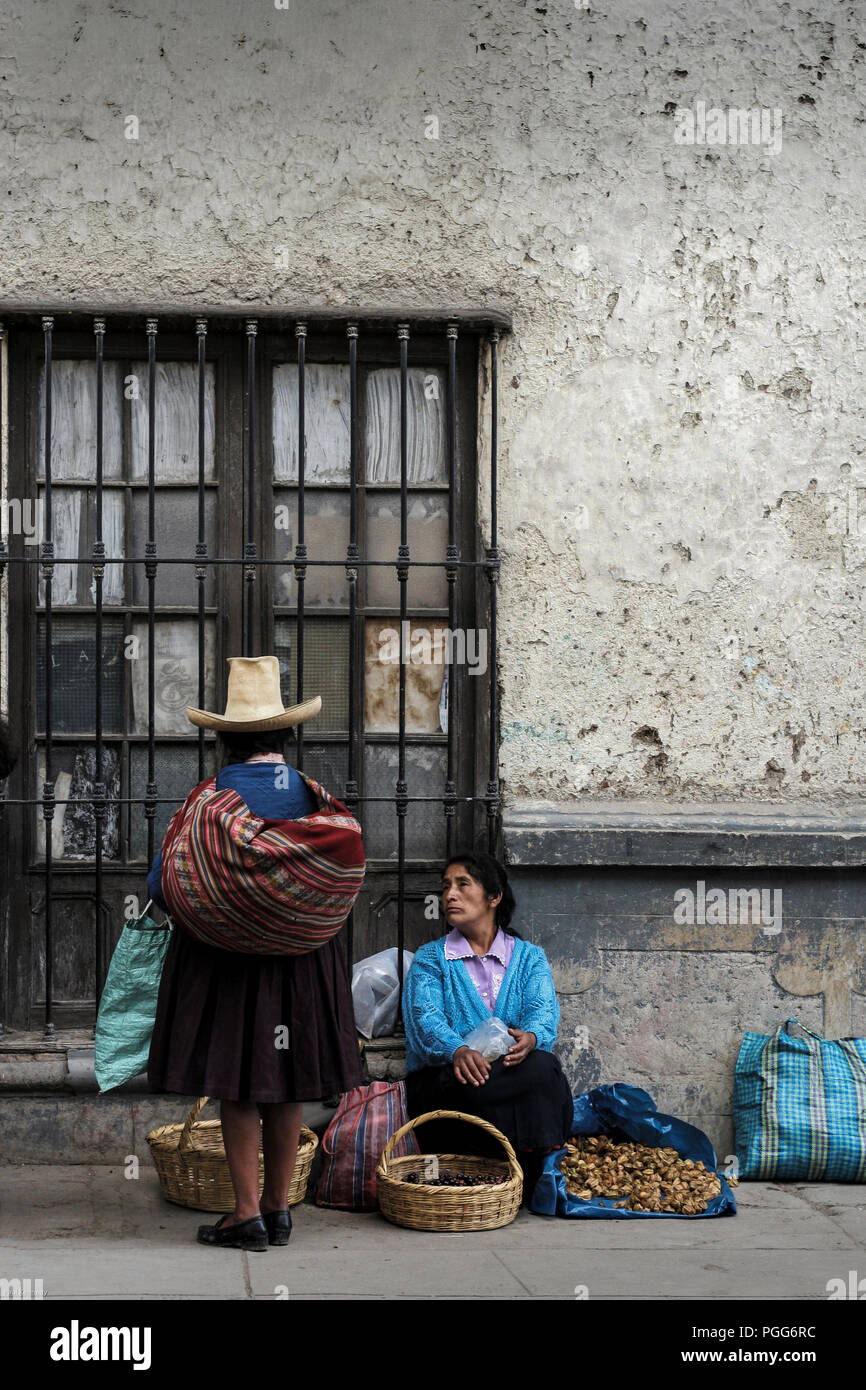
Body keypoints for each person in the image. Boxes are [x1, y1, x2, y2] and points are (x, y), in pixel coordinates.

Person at [147, 655, 364, 1251]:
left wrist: (227, 901)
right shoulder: (315, 799)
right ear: (287, 733)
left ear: (223, 738)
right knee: (287, 1081)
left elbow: (163, 883)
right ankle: (279, 1207)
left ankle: (244, 1216)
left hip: (227, 964)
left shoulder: (208, 802)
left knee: (238, 1083)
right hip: (302, 961)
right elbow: (340, 866)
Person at [402, 850, 574, 1203]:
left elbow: (543, 1012)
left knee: (544, 1067)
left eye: (463, 884)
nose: (449, 894)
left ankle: (525, 1177)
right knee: (472, 1081)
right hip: (453, 1083)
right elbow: (425, 1019)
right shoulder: (430, 959)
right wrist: (458, 1050)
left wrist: (532, 1037)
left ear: (494, 897)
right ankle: (505, 1177)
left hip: (506, 1075)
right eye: (446, 886)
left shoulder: (529, 958)